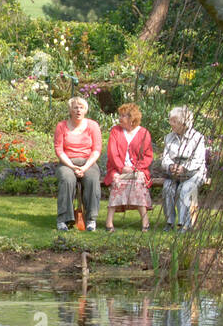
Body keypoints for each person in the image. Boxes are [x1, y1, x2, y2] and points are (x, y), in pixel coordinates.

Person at [102, 102, 153, 232]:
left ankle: (145, 220)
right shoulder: (115, 131)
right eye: (120, 115)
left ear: (132, 118)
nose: (120, 118)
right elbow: (112, 153)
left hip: (138, 170)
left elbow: (148, 156)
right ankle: (109, 221)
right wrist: (121, 168)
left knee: (138, 181)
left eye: (124, 116)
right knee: (117, 181)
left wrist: (136, 168)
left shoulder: (144, 133)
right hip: (117, 169)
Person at [53, 96, 102, 231]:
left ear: (85, 110)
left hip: (88, 162)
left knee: (92, 179)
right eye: (75, 107)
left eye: (81, 108)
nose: (78, 110)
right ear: (70, 110)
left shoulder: (93, 126)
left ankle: (91, 219)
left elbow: (97, 150)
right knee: (67, 179)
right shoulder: (61, 126)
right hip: (67, 162)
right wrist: (72, 166)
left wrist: (85, 167)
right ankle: (63, 219)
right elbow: (59, 150)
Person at [160, 106, 207, 232]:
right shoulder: (169, 137)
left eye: (174, 121)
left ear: (183, 123)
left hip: (193, 172)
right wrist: (171, 166)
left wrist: (184, 168)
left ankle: (184, 224)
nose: (171, 123)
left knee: (185, 189)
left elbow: (198, 160)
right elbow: (165, 158)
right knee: (167, 188)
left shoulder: (197, 138)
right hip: (174, 173)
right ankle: (169, 222)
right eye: (170, 120)